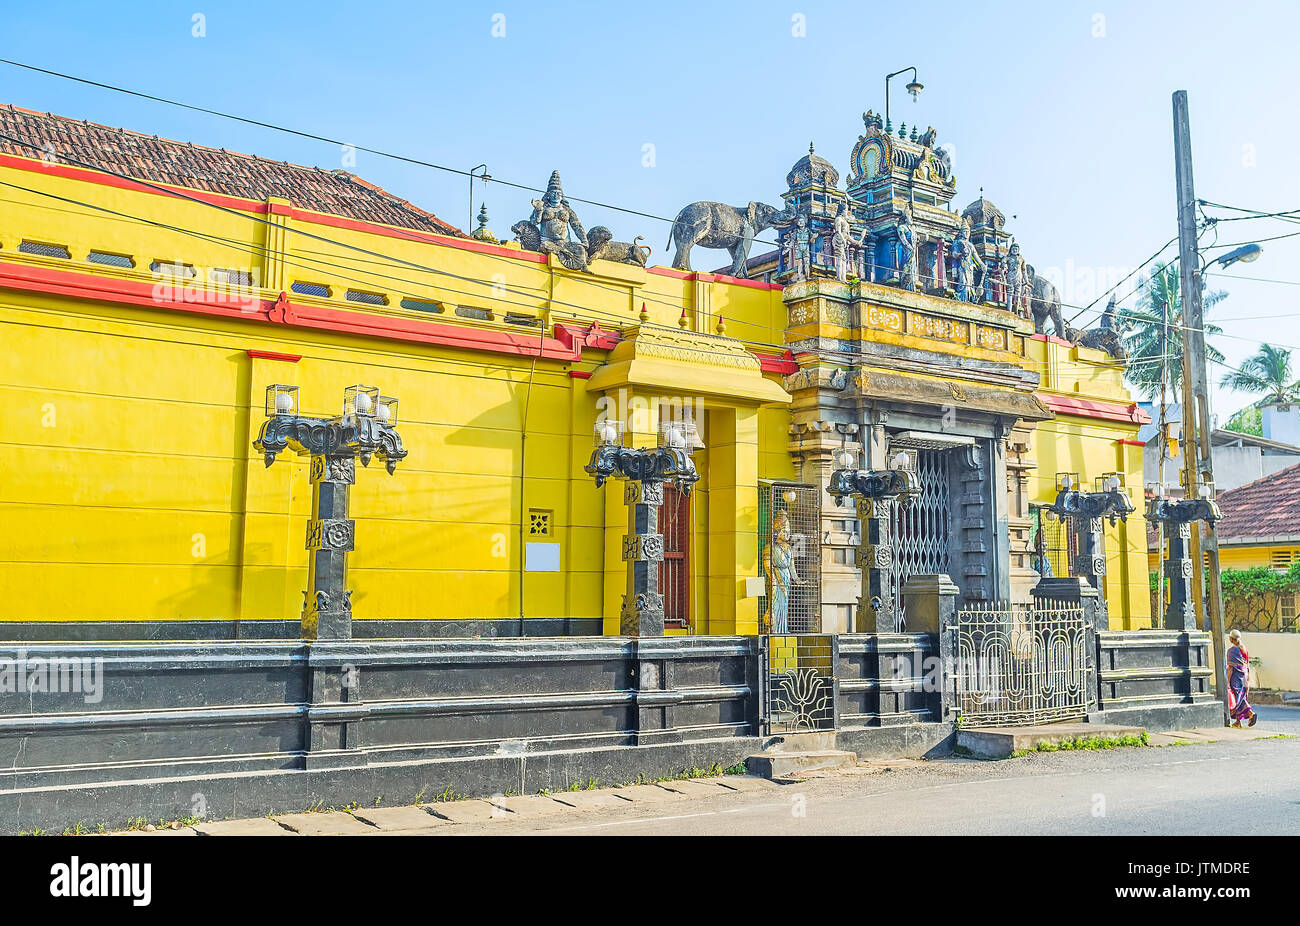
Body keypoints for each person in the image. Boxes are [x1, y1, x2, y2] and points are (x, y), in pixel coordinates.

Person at [762, 509, 801, 634]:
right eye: (784, 531)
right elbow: (767, 565)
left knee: (784, 605)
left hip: (786, 578)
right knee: (775, 603)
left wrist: (797, 579)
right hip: (776, 577)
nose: (787, 534)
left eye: (788, 532)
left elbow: (791, 566)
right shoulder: (770, 547)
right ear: (778, 532)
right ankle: (774, 629)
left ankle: (783, 629)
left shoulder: (789, 548)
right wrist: (773, 577)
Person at [1226, 629, 1258, 728]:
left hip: (1236, 678)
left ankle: (1251, 713)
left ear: (1231, 639)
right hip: (1244, 676)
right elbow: (1246, 664)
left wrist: (1227, 681)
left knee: (1237, 699)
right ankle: (1238, 722)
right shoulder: (1243, 648)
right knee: (1241, 696)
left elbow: (1231, 668)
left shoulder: (1232, 650)